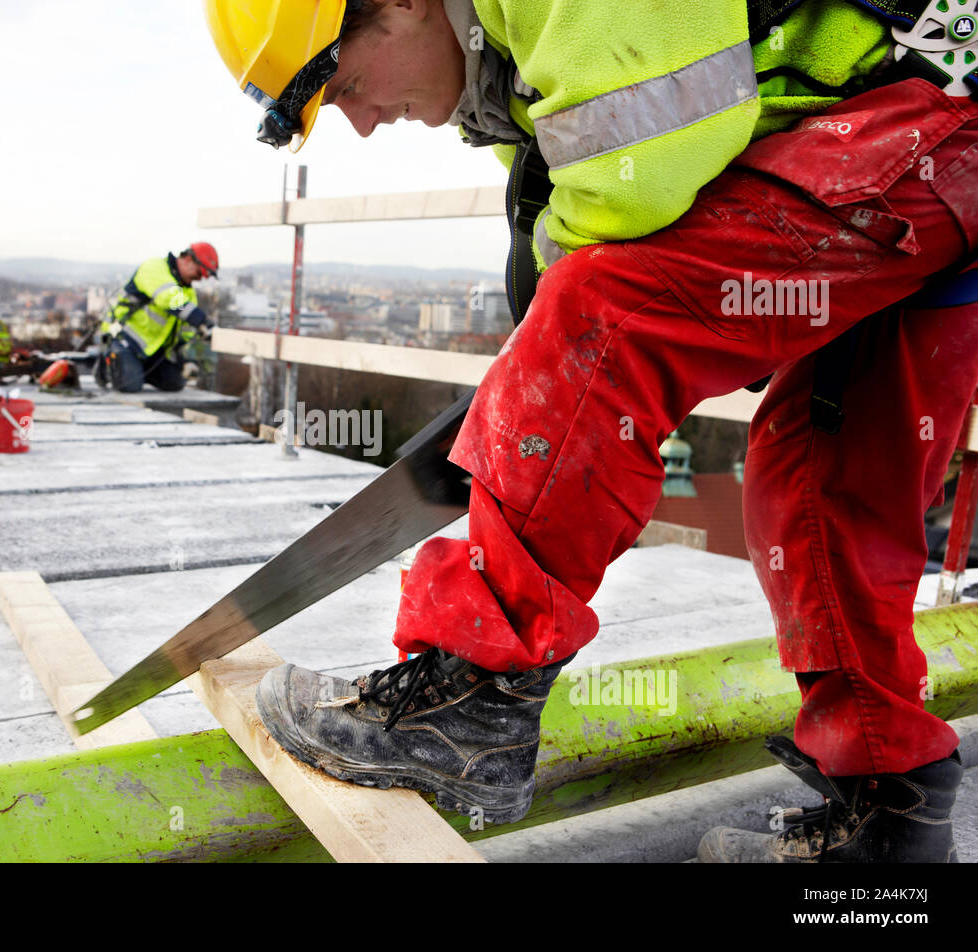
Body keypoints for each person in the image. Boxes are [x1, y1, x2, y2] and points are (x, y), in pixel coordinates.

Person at [205, 0, 978, 862]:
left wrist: (548, 378)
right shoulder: (517, 73)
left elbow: (630, 190)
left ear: (402, 3)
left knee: (602, 316)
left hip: (931, 129)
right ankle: (888, 821)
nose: (360, 122)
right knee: (819, 476)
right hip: (934, 152)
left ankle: (472, 704)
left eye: (344, 84)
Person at [96, 242, 219, 392]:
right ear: (188, 260)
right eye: (199, 273)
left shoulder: (188, 294)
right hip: (125, 340)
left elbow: (185, 332)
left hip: (153, 351)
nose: (199, 279)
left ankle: (135, 371)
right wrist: (201, 321)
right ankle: (107, 367)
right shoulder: (155, 268)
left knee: (175, 383)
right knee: (129, 386)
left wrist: (185, 360)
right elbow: (169, 299)